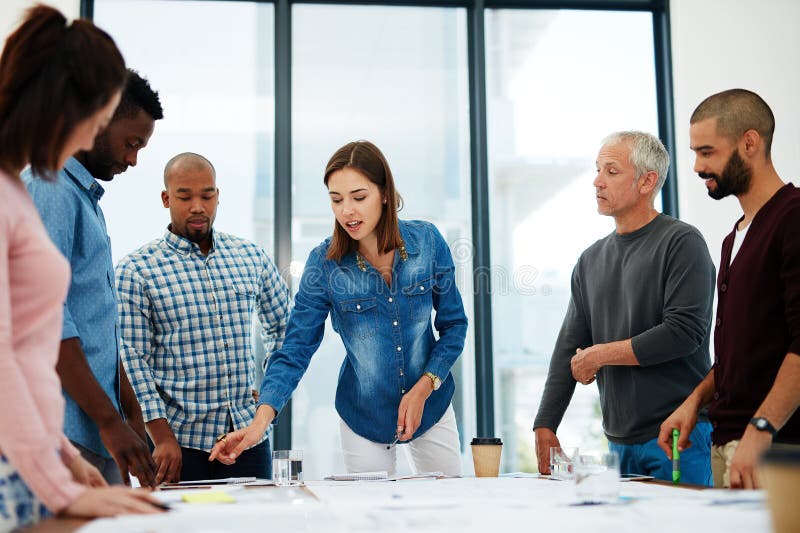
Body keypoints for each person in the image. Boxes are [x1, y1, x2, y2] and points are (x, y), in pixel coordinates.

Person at [210, 140, 468, 476]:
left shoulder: (428, 242)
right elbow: (295, 348)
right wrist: (259, 423)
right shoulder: (323, 264)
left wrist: (424, 387)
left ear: (385, 194)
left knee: (447, 511)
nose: (347, 210)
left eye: (359, 197)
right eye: (336, 200)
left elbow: (454, 326)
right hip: (363, 416)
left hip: (431, 405)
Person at [0, 6, 163, 528]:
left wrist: (65, 460)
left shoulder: (27, 192)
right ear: (69, 107)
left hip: (43, 444)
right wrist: (59, 481)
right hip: (21, 459)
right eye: (101, 115)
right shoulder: (34, 192)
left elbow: (35, 340)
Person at [533, 131, 716, 484]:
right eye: (597, 170)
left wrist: (600, 355)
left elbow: (683, 333)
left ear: (647, 181)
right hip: (618, 441)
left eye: (611, 171)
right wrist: (545, 423)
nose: (597, 181)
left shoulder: (682, 243)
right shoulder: (590, 260)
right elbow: (568, 347)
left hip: (678, 437)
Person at [23, 69, 164, 488]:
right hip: (64, 432)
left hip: (96, 430)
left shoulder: (84, 199)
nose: (133, 159)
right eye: (132, 142)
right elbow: (48, 318)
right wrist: (109, 422)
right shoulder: (50, 189)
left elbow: (97, 325)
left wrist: (129, 412)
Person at [116, 152, 290, 482]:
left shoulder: (249, 256)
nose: (198, 206)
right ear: (167, 198)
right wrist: (161, 437)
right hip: (179, 447)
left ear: (218, 196)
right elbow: (133, 360)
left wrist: (268, 394)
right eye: (185, 196)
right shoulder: (136, 270)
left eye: (207, 195)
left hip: (248, 444)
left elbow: (284, 329)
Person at [658, 89, 800, 489]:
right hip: (729, 443)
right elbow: (744, 351)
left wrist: (761, 427)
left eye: (707, 152)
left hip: (774, 446)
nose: (698, 166)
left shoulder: (793, 218)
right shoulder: (732, 238)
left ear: (749, 143)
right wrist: (694, 402)